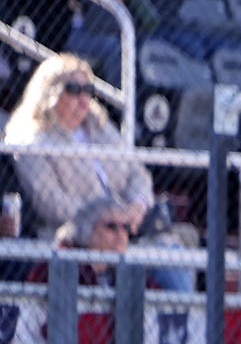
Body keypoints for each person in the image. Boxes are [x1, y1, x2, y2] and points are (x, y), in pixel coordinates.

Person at [3, 54, 153, 240]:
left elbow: (138, 173)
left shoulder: (100, 126)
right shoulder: (30, 139)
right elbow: (50, 202)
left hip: (127, 230)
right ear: (50, 92)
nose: (84, 98)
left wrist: (137, 205)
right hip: (75, 238)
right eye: (74, 89)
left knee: (173, 248)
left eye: (88, 89)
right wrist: (103, 220)